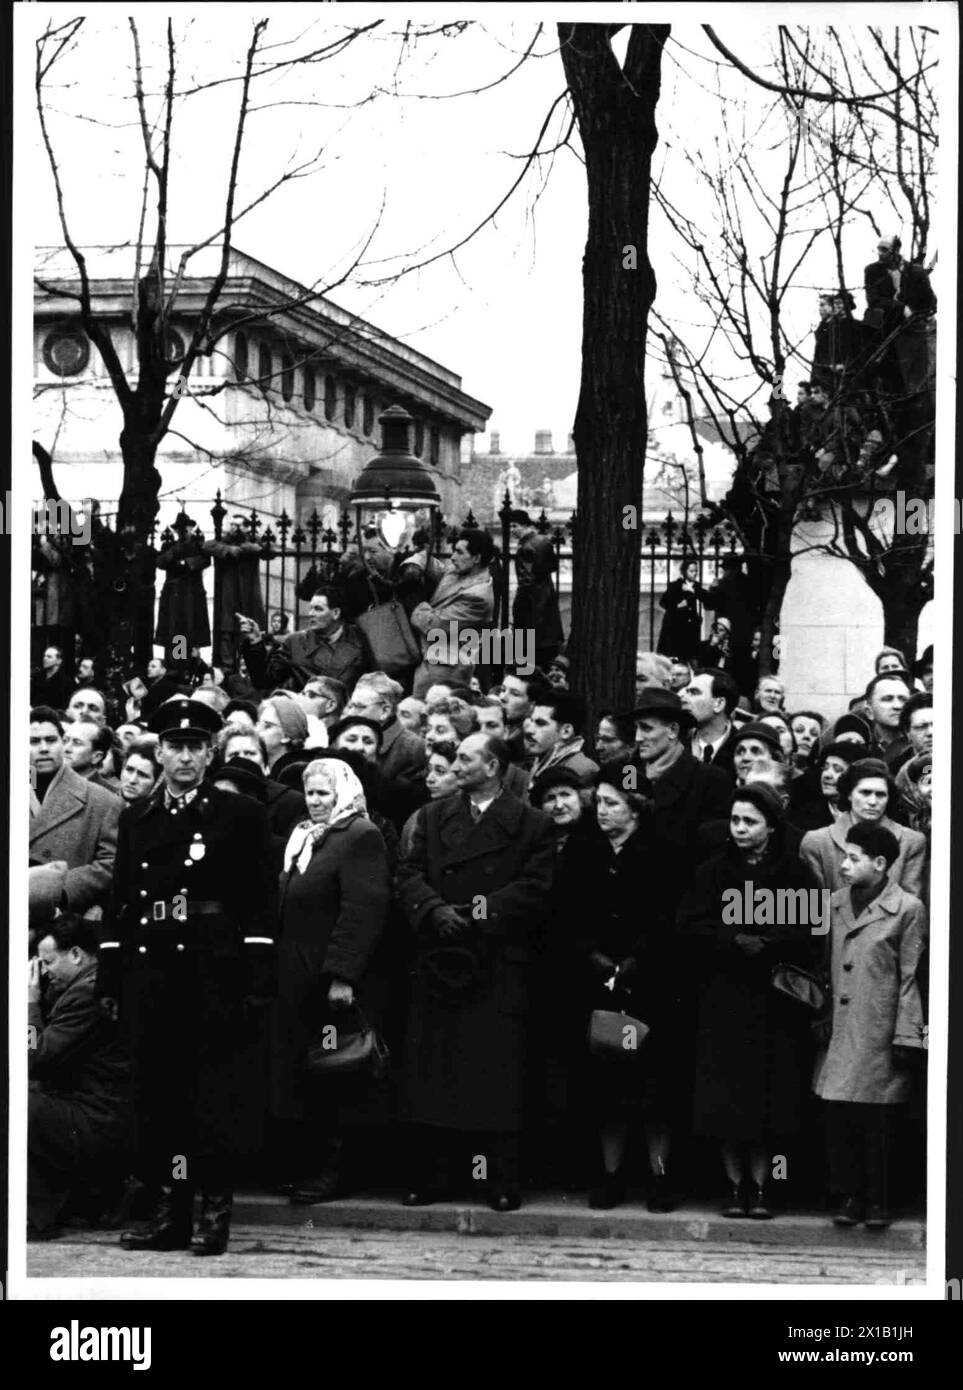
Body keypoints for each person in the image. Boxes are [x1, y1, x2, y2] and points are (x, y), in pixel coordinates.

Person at [97, 697, 277, 1257]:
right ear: (160, 751)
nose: (184, 758)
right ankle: (169, 1214)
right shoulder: (138, 818)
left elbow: (258, 903)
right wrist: (111, 977)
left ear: (210, 752)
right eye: (174, 747)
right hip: (153, 973)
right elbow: (121, 901)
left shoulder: (239, 816)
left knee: (211, 1097)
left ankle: (214, 1214)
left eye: (195, 747)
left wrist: (253, 979)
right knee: (160, 1095)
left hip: (211, 971)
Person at [396, 732, 555, 1211]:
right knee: (435, 1077)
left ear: (492, 766)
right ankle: (434, 1176)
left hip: (495, 964)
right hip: (441, 963)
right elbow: (408, 872)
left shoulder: (532, 824)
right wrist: (433, 910)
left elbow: (535, 887)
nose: (454, 765)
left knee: (492, 1081)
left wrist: (476, 910)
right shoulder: (431, 816)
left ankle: (496, 1180)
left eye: (464, 758)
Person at [678, 784, 820, 1219]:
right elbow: (688, 923)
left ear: (771, 827)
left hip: (774, 1000)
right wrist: (731, 938)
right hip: (725, 997)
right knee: (726, 1098)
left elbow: (810, 927)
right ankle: (733, 1185)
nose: (739, 829)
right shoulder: (713, 870)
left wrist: (771, 941)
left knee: (768, 1100)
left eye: (749, 821)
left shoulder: (793, 872)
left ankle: (763, 1187)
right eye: (735, 820)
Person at [564, 760, 685, 1211]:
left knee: (654, 1092)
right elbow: (566, 912)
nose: (603, 811)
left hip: (650, 986)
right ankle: (609, 1176)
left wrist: (637, 961)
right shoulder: (582, 850)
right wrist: (594, 957)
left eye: (613, 804)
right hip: (595, 984)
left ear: (635, 808)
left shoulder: (664, 852)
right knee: (606, 1092)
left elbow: (670, 918)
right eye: (600, 803)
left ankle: (659, 1177)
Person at [268, 758, 390, 1204]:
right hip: (295, 977)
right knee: (304, 1074)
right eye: (310, 793)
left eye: (323, 793)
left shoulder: (360, 835)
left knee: (334, 1074)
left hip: (330, 984)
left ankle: (335, 1171)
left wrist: (343, 975)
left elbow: (364, 908)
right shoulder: (304, 837)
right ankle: (304, 1165)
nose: (316, 801)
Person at [814, 821, 927, 1229]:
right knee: (840, 1115)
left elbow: (911, 975)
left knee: (878, 1120)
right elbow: (822, 960)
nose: (843, 865)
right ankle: (849, 1196)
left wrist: (906, 1033)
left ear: (880, 864)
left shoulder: (909, 909)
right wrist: (821, 1011)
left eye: (853, 858)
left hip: (879, 1027)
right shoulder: (835, 903)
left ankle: (879, 1200)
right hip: (842, 1028)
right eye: (843, 855)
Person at [28, 914, 131, 1238]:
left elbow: (37, 1056)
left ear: (75, 954)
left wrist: (29, 1005)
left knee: (21, 1107)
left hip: (100, 1119)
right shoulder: (95, 982)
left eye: (48, 962)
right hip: (101, 1111)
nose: (44, 971)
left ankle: (36, 1217)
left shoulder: (87, 992)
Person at [29, 707, 121, 921]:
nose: (44, 749)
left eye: (51, 740)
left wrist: (59, 889)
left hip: (62, 923)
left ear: (62, 743)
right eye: (33, 741)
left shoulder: (103, 801)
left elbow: (110, 864)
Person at [800, 758, 927, 899]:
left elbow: (910, 905)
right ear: (849, 794)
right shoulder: (817, 842)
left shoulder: (911, 841)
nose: (873, 802)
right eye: (865, 793)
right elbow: (816, 905)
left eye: (881, 794)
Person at [409, 529, 496, 699]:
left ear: (477, 558)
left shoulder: (479, 596)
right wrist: (413, 564)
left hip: (449, 670)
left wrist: (415, 605)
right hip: (430, 660)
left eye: (459, 552)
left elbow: (435, 624)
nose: (453, 557)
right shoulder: (459, 571)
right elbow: (431, 563)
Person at [240, 585, 366, 694]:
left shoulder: (363, 640)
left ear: (336, 613)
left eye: (318, 609)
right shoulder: (295, 643)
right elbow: (263, 680)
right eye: (310, 608)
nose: (311, 613)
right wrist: (255, 641)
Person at [345, 672, 427, 788]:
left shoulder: (414, 749)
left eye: (360, 707)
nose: (351, 713)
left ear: (385, 711)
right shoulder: (343, 737)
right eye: (350, 706)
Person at [512, 528, 564, 673]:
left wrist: (517, 609)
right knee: (545, 659)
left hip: (530, 610)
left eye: (513, 526)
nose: (511, 531)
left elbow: (526, 581)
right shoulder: (545, 541)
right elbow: (554, 565)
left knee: (526, 665)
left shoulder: (526, 547)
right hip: (546, 607)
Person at [523, 690, 599, 790]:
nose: (529, 730)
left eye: (540, 723)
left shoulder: (583, 770)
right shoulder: (538, 763)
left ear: (566, 731)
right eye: (531, 721)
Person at [789, 740, 861, 832]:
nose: (827, 775)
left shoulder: (866, 814)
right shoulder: (802, 816)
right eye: (825, 768)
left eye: (837, 769)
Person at [681, 669, 741, 776]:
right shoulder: (677, 743)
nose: (684, 699)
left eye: (694, 693)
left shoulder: (742, 749)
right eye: (687, 692)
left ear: (719, 704)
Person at [657, 559, 705, 663]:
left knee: (690, 658)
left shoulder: (696, 586)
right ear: (684, 572)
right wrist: (677, 605)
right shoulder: (675, 585)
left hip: (691, 628)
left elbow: (706, 600)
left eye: (696, 571)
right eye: (691, 571)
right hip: (676, 628)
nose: (695, 573)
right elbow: (663, 602)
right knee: (675, 658)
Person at [864, 673, 912, 768]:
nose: (898, 706)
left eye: (903, 700)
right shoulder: (861, 750)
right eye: (887, 699)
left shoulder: (925, 745)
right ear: (869, 712)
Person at [62, 719, 120, 796]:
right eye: (65, 741)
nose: (66, 748)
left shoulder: (110, 796)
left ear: (96, 757)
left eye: (77, 743)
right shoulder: (46, 782)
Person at [256, 695, 308, 774]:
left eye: (267, 726)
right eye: (258, 725)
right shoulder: (262, 770)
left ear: (287, 736)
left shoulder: (296, 774)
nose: (256, 731)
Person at [118, 738, 161, 806]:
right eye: (129, 770)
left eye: (142, 775)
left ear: (157, 782)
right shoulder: (101, 799)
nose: (132, 780)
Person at [31, 644, 70, 710]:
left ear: (59, 661)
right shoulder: (36, 678)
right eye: (44, 656)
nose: (45, 658)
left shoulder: (66, 682)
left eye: (49, 657)